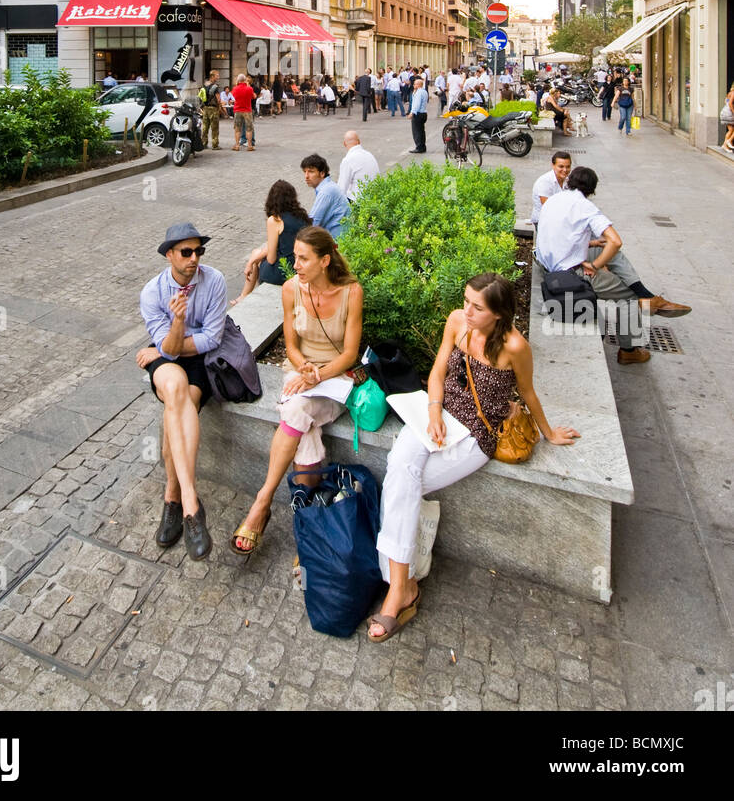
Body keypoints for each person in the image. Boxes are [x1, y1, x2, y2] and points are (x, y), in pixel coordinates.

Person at [368, 274, 580, 641]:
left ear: (498, 314)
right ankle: (402, 588)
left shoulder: (515, 346)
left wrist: (549, 433)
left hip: (477, 433)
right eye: (465, 300)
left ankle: (397, 586)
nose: (466, 310)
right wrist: (434, 412)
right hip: (433, 417)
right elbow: (436, 373)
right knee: (402, 471)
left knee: (400, 481)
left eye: (477, 307)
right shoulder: (455, 322)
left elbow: (528, 392)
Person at [231, 227, 364, 555]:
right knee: (300, 417)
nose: (296, 265)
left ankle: (262, 502)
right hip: (301, 374)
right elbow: (291, 345)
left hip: (335, 380)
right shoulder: (290, 289)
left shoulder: (351, 292)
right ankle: (307, 526)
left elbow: (350, 354)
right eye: (295, 257)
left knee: (295, 411)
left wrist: (317, 375)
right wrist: (304, 366)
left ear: (325, 260)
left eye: (304, 259)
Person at [136, 222, 228, 560]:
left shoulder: (214, 281)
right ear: (170, 255)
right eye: (186, 252)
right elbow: (173, 347)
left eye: (199, 251)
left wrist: (163, 349)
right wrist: (176, 324)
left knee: (181, 402)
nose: (194, 259)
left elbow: (212, 338)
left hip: (200, 361)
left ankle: (173, 495)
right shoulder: (152, 293)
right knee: (174, 386)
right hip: (171, 358)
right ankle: (192, 504)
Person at [535, 166, 692, 364]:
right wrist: (596, 265)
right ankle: (629, 349)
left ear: (569, 182)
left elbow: (559, 234)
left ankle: (647, 295)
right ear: (592, 190)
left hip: (548, 263)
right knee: (628, 295)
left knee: (606, 249)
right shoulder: (585, 206)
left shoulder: (555, 199)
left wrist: (591, 245)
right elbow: (616, 240)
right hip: (569, 275)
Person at [232, 180, 312, 303]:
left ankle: (244, 295)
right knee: (256, 253)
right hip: (301, 268)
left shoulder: (275, 220)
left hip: (282, 272)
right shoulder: (302, 217)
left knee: (256, 255)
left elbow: (271, 258)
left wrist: (252, 261)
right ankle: (243, 295)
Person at [301, 153, 351, 238]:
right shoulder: (328, 186)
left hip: (337, 243)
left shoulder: (326, 191)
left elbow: (313, 223)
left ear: (322, 173)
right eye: (305, 172)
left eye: (311, 172)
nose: (306, 176)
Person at [336, 131, 380, 201]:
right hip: (375, 198)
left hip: (358, 201)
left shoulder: (348, 160)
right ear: (359, 142)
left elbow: (341, 189)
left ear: (344, 144)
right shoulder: (370, 155)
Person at [530, 151, 571, 225]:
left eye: (568, 167)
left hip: (560, 219)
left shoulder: (568, 180)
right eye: (561, 166)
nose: (565, 170)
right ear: (553, 165)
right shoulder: (545, 182)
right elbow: (548, 207)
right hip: (543, 221)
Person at [231, 74, 256, 151]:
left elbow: (232, 98)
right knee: (249, 128)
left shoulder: (235, 89)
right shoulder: (249, 89)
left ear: (238, 80)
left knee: (237, 129)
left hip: (238, 110)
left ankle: (237, 145)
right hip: (247, 111)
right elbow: (254, 97)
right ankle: (249, 145)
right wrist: (248, 86)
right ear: (245, 80)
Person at [199, 70, 222, 150]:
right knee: (214, 127)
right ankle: (215, 145)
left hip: (205, 108)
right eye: (217, 75)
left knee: (205, 127)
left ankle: (204, 143)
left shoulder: (204, 85)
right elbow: (218, 100)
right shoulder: (215, 87)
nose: (218, 77)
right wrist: (220, 108)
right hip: (213, 109)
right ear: (212, 76)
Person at [408, 77, 429, 154]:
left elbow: (417, 104)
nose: (413, 85)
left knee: (416, 131)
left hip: (418, 114)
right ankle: (422, 146)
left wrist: (412, 113)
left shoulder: (419, 93)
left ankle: (419, 147)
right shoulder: (424, 91)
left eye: (414, 84)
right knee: (421, 131)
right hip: (423, 113)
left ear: (418, 85)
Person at [721, 81, 734, 152]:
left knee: (731, 130)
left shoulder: (729, 93)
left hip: (725, 112)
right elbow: (730, 104)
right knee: (732, 130)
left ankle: (724, 145)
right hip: (729, 113)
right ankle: (729, 141)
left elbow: (725, 101)